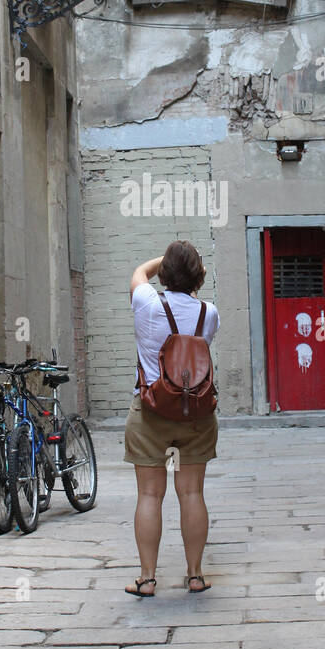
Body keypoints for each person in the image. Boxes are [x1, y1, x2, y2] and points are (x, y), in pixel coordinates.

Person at [124, 241, 220, 597]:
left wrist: (162, 262)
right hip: (195, 413)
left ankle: (147, 579)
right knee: (192, 493)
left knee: (149, 495)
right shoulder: (208, 313)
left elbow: (138, 273)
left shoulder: (147, 304)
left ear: (164, 274)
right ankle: (195, 575)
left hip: (150, 411)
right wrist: (195, 272)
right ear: (198, 275)